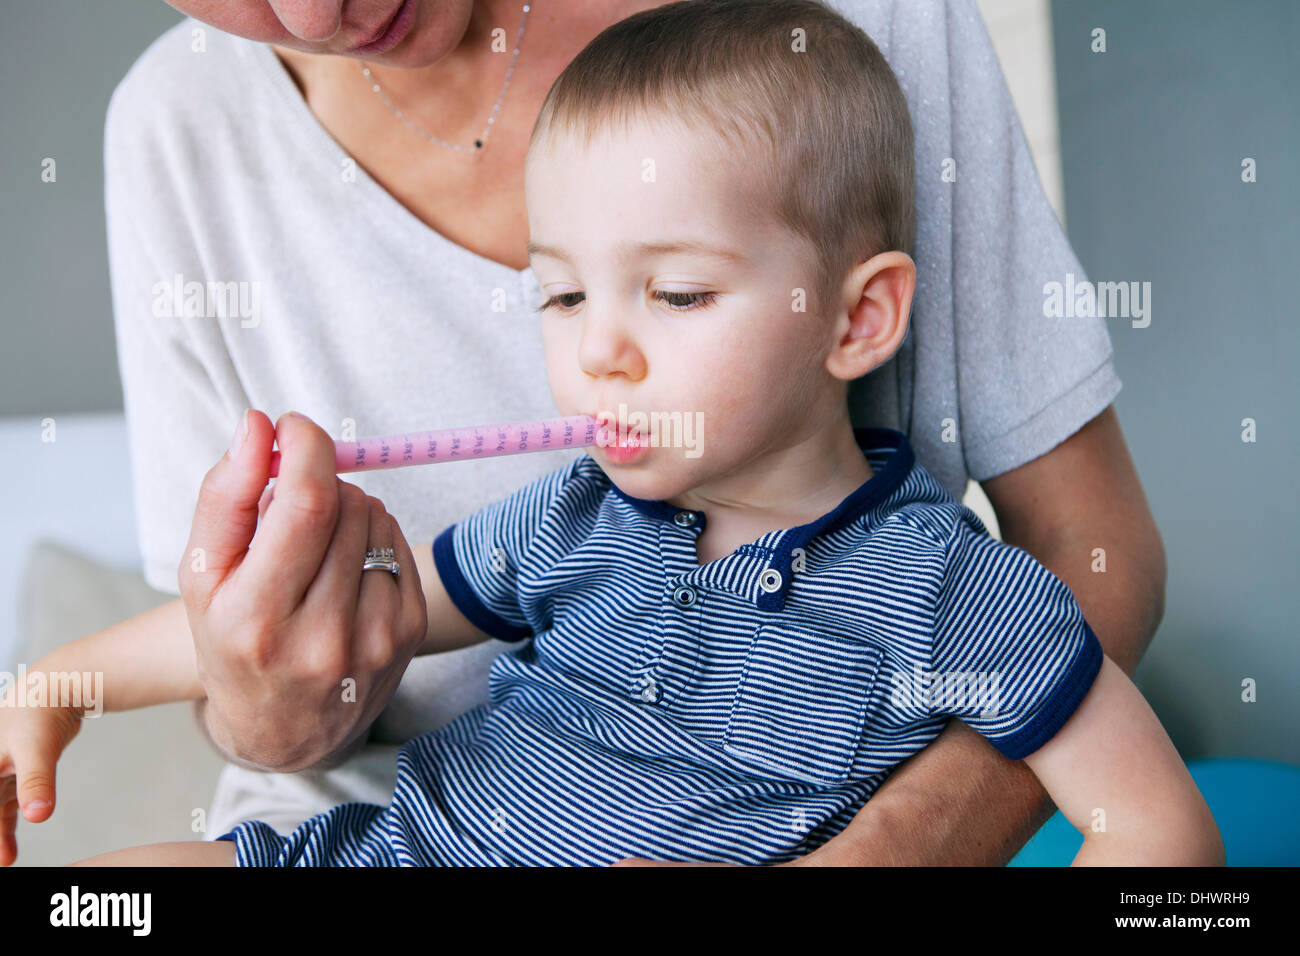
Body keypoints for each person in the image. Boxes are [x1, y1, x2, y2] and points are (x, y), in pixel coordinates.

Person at [8, 0, 1216, 867]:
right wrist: (58, 682)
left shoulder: (962, 594)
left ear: (859, 317)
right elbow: (311, 609)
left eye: (676, 295)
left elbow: (1158, 827)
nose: (598, 352)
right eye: (563, 296)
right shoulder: (578, 516)